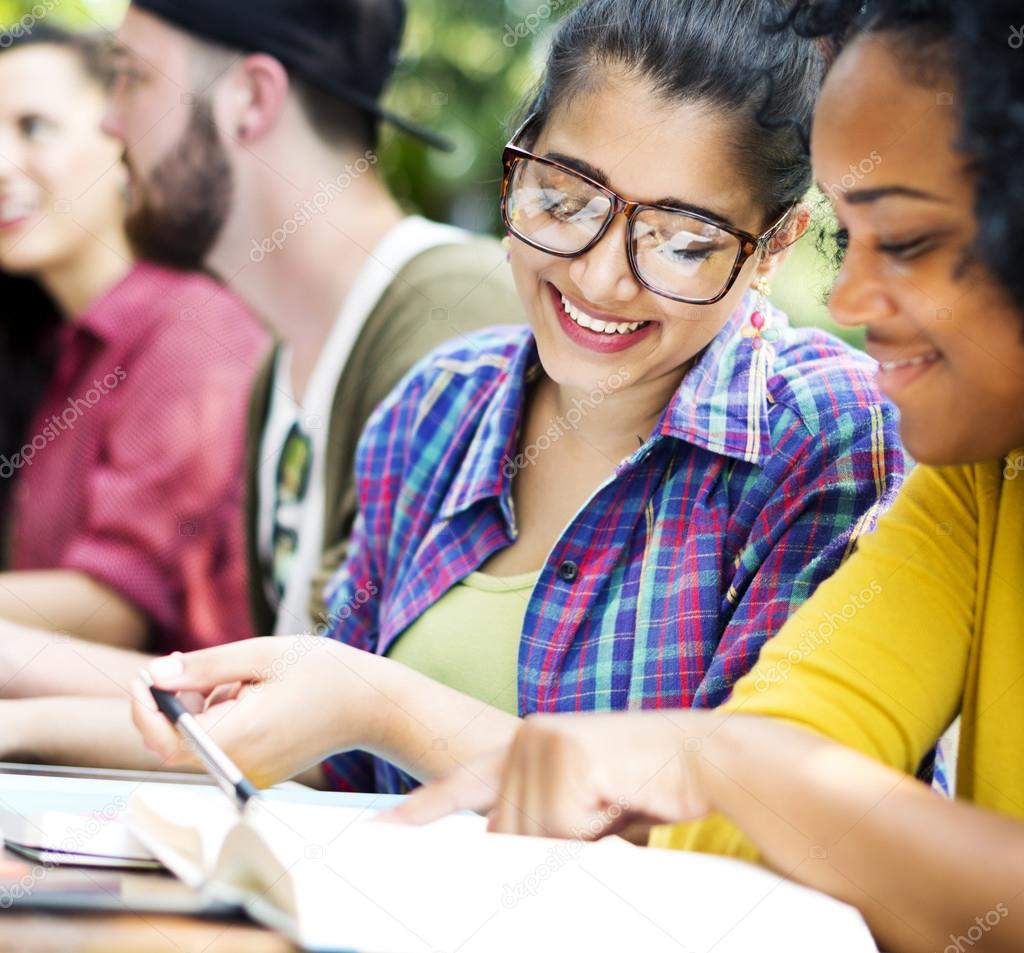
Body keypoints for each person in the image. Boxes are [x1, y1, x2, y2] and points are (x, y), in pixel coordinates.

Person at [131, 0, 904, 794]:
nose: (600, 280)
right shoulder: (434, 408)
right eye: (565, 200)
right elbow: (335, 774)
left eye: (681, 243)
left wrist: (379, 705)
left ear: (773, 245)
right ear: (520, 157)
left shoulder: (825, 435)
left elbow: (761, 815)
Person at [390, 1, 1024, 951]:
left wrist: (725, 759)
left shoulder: (835, 430)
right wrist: (733, 766)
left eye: (907, 242)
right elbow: (747, 828)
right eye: (849, 241)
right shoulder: (974, 483)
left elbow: (759, 783)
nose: (848, 299)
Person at [0, 0, 520, 769]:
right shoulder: (279, 367)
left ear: (251, 100)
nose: (111, 124)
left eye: (134, 79)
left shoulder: (454, 318)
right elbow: (275, 719)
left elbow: (337, 739)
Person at [0, 25, 268, 652]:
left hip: (182, 745)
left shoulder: (191, 328)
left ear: (124, 133)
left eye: (34, 127)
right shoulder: (56, 347)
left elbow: (118, 605)